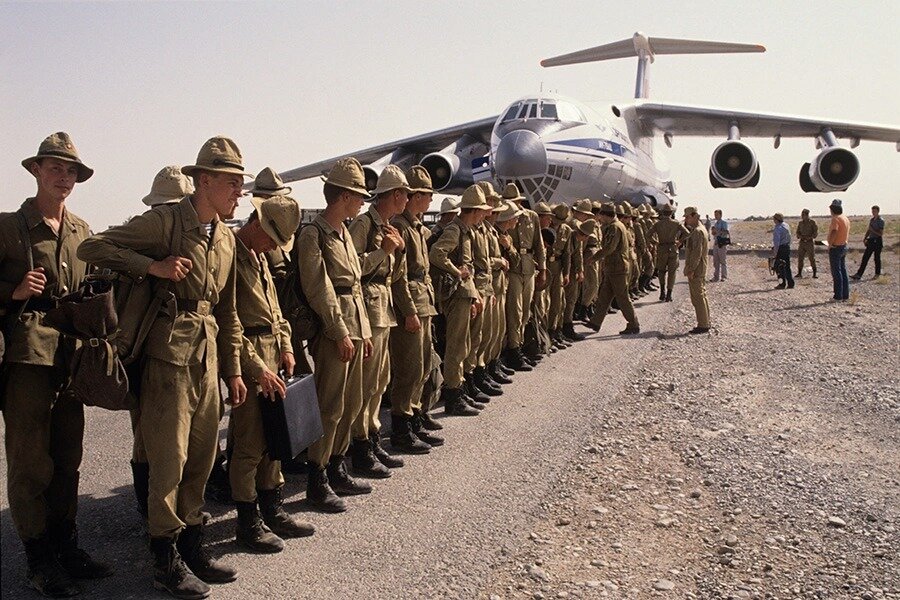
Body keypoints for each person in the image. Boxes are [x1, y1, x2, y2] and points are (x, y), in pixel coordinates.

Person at [79, 136, 250, 598]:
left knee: (202, 456)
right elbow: (93, 247)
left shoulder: (226, 237)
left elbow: (229, 310)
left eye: (240, 183)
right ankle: (164, 557)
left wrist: (234, 370)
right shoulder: (165, 221)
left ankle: (192, 544)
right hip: (168, 355)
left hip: (207, 357)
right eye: (232, 182)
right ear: (204, 180)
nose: (239, 191)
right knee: (169, 460)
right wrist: (150, 267)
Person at [2, 132, 113, 597]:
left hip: (71, 355)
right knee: (31, 460)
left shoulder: (82, 230)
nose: (63, 177)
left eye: (70, 171)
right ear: (36, 171)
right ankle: (39, 558)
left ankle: (67, 547)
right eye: (55, 168)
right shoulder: (9, 227)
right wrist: (13, 292)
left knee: (68, 458)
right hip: (27, 356)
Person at [230, 195, 316, 554]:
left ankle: (273, 509)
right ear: (255, 224)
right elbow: (229, 322)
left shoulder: (260, 257)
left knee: (274, 438)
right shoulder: (230, 257)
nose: (273, 246)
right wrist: (257, 368)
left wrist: (286, 347)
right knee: (249, 446)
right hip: (249, 359)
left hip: (271, 355)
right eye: (271, 238)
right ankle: (247, 522)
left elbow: (276, 312)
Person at [297, 157, 374, 512]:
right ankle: (317, 477)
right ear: (343, 196)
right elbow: (319, 288)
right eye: (358, 196)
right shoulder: (314, 235)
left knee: (352, 403)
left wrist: (364, 331)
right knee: (329, 406)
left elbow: (355, 286)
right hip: (334, 329)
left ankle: (337, 466)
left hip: (355, 325)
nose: (361, 203)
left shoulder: (344, 233)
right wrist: (340, 331)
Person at [389, 166, 442, 445]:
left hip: (424, 302)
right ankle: (401, 425)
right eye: (428, 194)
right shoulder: (400, 226)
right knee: (408, 369)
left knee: (423, 365)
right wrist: (409, 310)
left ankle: (415, 415)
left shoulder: (417, 227)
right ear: (416, 196)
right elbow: (400, 276)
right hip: (411, 304)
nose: (431, 199)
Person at [429, 185, 491, 417]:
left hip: (465, 294)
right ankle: (453, 395)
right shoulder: (455, 230)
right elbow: (437, 254)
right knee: (456, 347)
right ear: (473, 210)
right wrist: (456, 272)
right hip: (456, 295)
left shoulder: (466, 230)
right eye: (481, 211)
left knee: (463, 344)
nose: (484, 215)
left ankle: (459, 389)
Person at [502, 183, 546, 371]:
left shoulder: (531, 216)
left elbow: (539, 244)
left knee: (526, 311)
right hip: (512, 267)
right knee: (515, 310)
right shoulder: (504, 217)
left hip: (528, 265)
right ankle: (513, 349)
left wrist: (542, 269)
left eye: (515, 202)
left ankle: (520, 345)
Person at [585, 203, 640, 335]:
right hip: (613, 267)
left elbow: (609, 248)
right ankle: (596, 322)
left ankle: (633, 324)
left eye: (601, 215)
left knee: (622, 297)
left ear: (605, 215)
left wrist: (594, 258)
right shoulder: (618, 225)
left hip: (617, 267)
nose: (600, 218)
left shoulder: (614, 227)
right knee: (604, 296)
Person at [650, 204, 689, 302]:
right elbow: (687, 233)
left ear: (662, 213)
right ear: (671, 213)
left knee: (661, 271)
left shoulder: (658, 224)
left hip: (662, 248)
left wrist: (655, 242)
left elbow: (648, 235)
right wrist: (679, 241)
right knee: (672, 272)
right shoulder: (676, 223)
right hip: (673, 248)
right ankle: (669, 294)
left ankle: (662, 292)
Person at [682, 207, 711, 334]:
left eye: (688, 217)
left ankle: (703, 324)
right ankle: (705, 321)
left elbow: (696, 253)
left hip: (697, 269)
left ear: (694, 216)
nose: (686, 220)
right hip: (700, 267)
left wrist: (691, 269)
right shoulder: (701, 229)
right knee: (701, 295)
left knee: (698, 297)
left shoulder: (698, 232)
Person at [851, 205, 885, 280]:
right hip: (871, 240)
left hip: (878, 241)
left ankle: (877, 274)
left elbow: (880, 233)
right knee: (865, 258)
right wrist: (865, 237)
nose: (873, 212)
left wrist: (872, 230)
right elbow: (869, 230)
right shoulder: (872, 220)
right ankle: (859, 274)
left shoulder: (881, 221)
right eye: (872, 211)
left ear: (878, 211)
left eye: (874, 211)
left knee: (877, 258)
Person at [827, 199, 851, 301]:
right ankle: (845, 295)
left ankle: (838, 296)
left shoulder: (835, 219)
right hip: (843, 246)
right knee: (843, 271)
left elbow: (834, 231)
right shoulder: (845, 218)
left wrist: (830, 244)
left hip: (836, 247)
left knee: (836, 272)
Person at [771, 213, 794, 289]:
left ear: (776, 219)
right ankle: (790, 283)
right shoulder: (786, 225)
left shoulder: (778, 228)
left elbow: (776, 242)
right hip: (786, 247)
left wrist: (775, 253)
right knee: (787, 266)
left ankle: (782, 284)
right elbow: (790, 237)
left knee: (779, 267)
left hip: (780, 249)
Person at [795, 208, 818, 279]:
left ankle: (814, 273)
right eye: (802, 214)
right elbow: (797, 232)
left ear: (807, 215)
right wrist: (800, 236)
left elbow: (815, 233)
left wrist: (810, 237)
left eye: (803, 215)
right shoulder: (800, 223)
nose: (802, 216)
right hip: (802, 242)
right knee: (800, 258)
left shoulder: (812, 222)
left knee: (811, 258)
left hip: (809, 242)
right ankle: (799, 273)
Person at [710, 209, 729, 281]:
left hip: (722, 243)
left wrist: (717, 230)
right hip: (716, 243)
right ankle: (716, 277)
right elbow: (714, 234)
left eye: (717, 214)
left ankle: (724, 276)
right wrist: (713, 232)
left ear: (721, 215)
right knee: (716, 261)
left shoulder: (724, 223)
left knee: (723, 261)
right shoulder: (715, 224)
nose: (715, 216)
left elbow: (725, 232)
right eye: (715, 215)